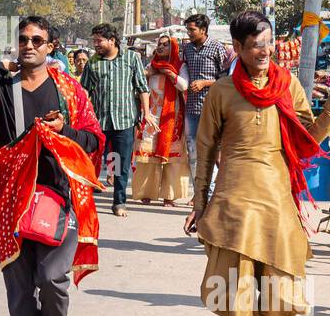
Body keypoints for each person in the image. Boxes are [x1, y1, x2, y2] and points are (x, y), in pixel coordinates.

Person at [184, 10, 330, 316]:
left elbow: (306, 142)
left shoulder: (288, 85)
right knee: (240, 292)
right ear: (239, 49)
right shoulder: (222, 92)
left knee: (278, 294)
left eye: (269, 42)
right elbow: (206, 150)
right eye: (256, 45)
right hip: (234, 206)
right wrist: (199, 202)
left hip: (277, 202)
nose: (265, 50)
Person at [0, 16, 104, 316]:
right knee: (20, 284)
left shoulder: (69, 91)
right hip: (12, 200)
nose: (29, 45)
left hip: (60, 196)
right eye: (23, 39)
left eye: (37, 40)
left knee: (53, 276)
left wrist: (64, 132)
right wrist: (2, 66)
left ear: (51, 46)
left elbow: (93, 140)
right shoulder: (2, 87)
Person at [80, 22, 155, 217]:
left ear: (112, 40)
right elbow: (84, 92)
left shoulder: (131, 58)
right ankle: (84, 197)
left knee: (120, 162)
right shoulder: (93, 63)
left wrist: (146, 113)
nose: (95, 44)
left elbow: (142, 88)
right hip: (98, 121)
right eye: (94, 41)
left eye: (99, 41)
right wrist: (79, 114)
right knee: (92, 159)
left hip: (124, 121)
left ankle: (118, 201)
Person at [132, 35, 189, 207]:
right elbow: (140, 84)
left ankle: (169, 197)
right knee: (147, 155)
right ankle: (146, 193)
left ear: (173, 48)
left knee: (172, 159)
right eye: (159, 45)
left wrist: (171, 74)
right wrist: (149, 73)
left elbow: (184, 86)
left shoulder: (180, 66)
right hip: (151, 116)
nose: (161, 47)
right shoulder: (151, 65)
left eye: (166, 45)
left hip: (172, 117)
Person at [181, 13, 228, 195]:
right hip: (191, 108)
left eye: (192, 30)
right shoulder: (187, 49)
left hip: (213, 109)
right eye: (188, 29)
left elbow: (226, 79)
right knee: (193, 153)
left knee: (214, 153)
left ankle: (214, 193)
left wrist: (205, 83)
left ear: (203, 30)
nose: (189, 33)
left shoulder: (217, 48)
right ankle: (199, 194)